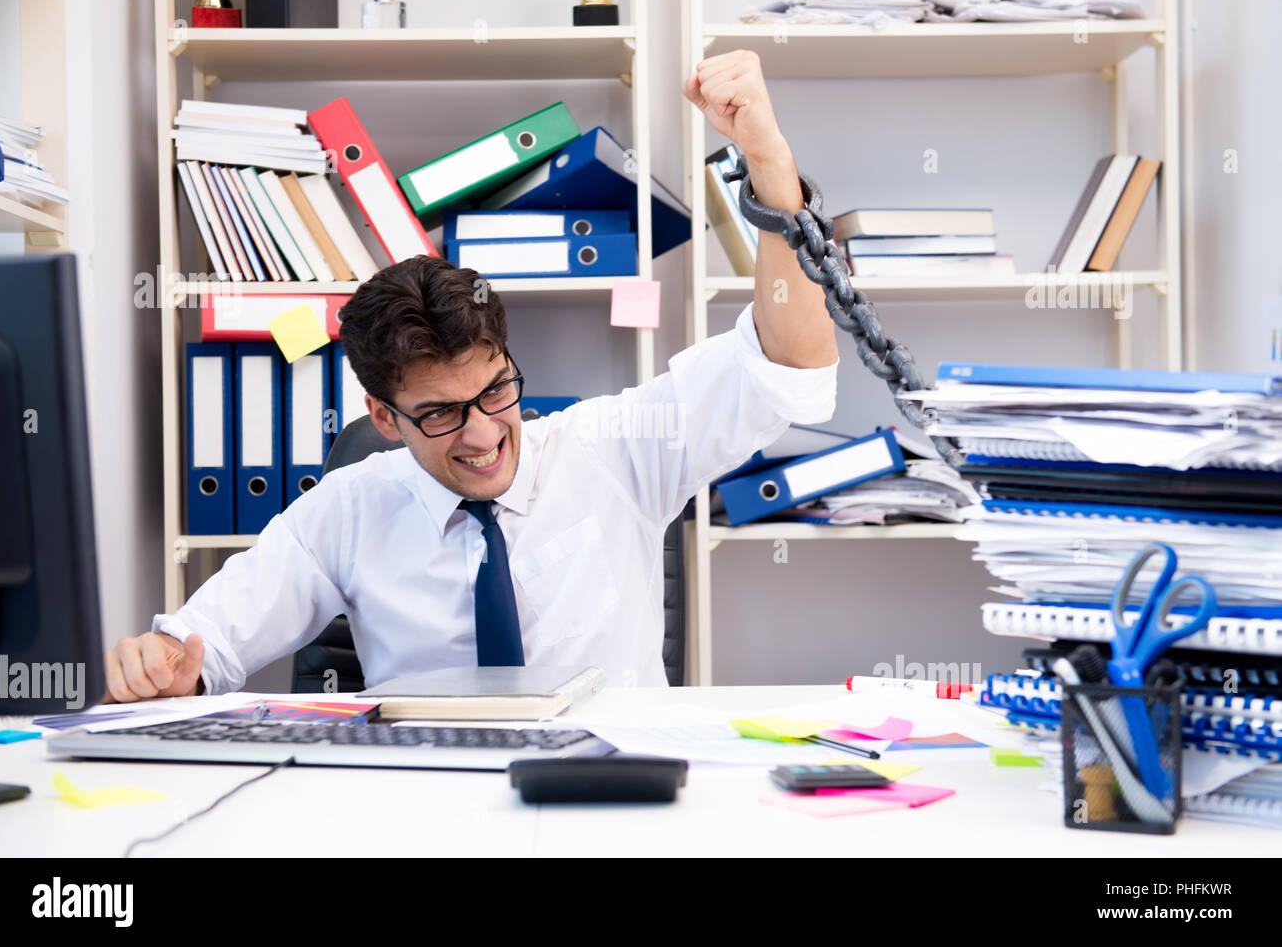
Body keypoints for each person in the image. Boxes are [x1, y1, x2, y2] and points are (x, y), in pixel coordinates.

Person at [103, 49, 839, 702]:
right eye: (441, 413)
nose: (484, 433)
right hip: (424, 804)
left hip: (610, 795)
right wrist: (163, 661)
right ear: (384, 418)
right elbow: (205, 647)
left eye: (495, 391)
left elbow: (788, 367)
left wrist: (769, 165)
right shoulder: (348, 508)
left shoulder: (615, 448)